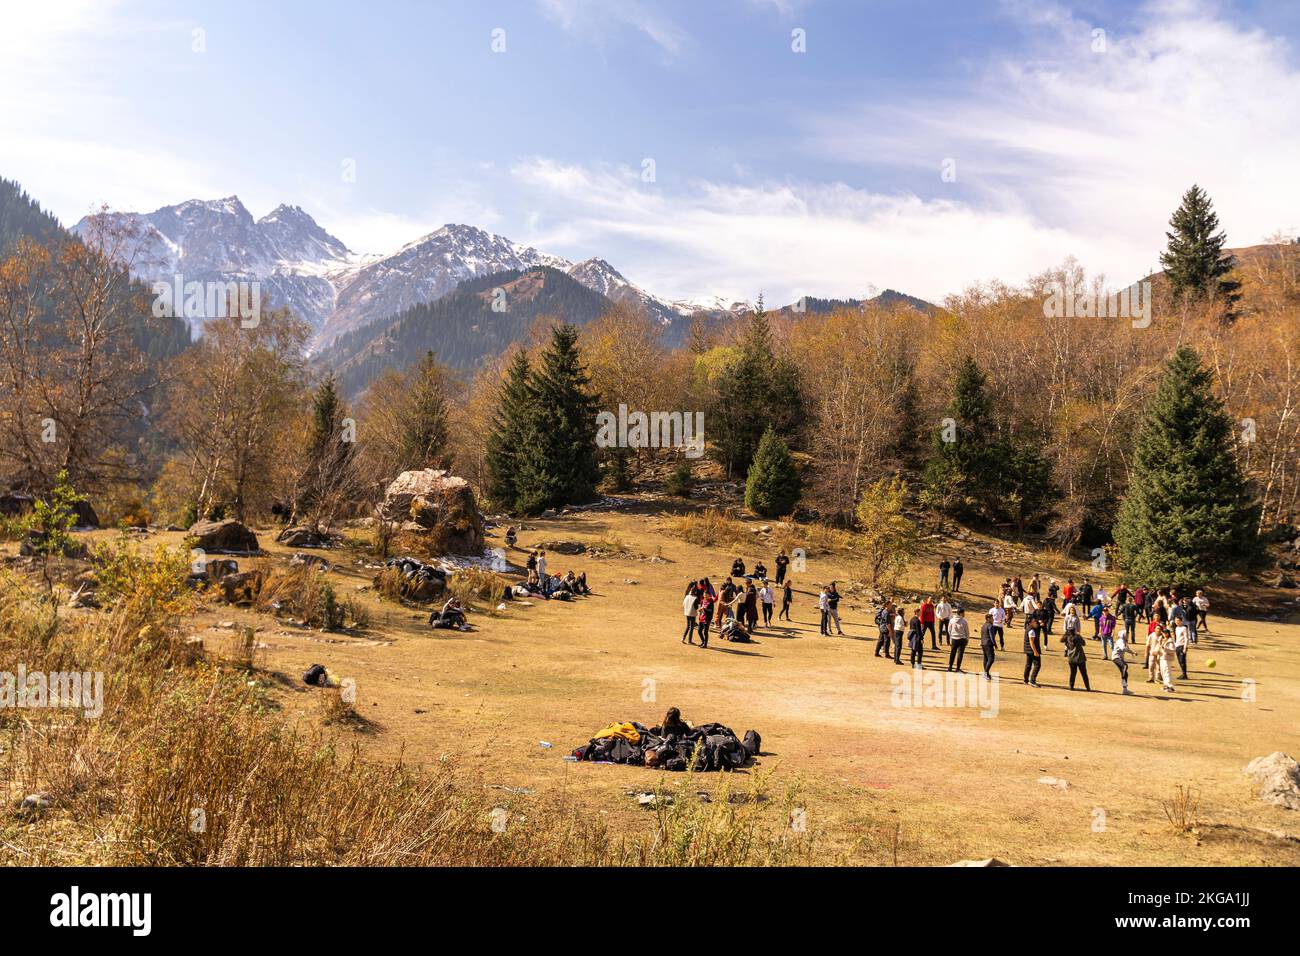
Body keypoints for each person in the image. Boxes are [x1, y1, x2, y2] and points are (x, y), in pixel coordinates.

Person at [947, 605, 970, 673]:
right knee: (960, 654)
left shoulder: (952, 620)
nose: (964, 614)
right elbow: (967, 632)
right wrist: (967, 639)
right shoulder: (964, 621)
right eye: (963, 613)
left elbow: (949, 630)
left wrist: (952, 635)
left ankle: (950, 667)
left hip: (954, 639)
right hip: (962, 639)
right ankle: (957, 668)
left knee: (952, 653)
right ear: (960, 613)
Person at [1023, 613, 1042, 687]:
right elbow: (1031, 642)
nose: (1036, 622)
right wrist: (1035, 652)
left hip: (1028, 650)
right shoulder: (1031, 631)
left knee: (1028, 665)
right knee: (1037, 665)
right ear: (1030, 623)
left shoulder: (1028, 628)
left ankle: (1026, 679)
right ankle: (1032, 680)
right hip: (1032, 650)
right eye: (1034, 622)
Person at [978, 611, 997, 680]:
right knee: (991, 659)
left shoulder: (983, 625)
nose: (993, 620)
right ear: (988, 619)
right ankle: (985, 673)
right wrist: (995, 644)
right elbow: (992, 637)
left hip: (983, 643)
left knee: (985, 658)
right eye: (992, 618)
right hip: (988, 644)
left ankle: (986, 673)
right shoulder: (990, 626)